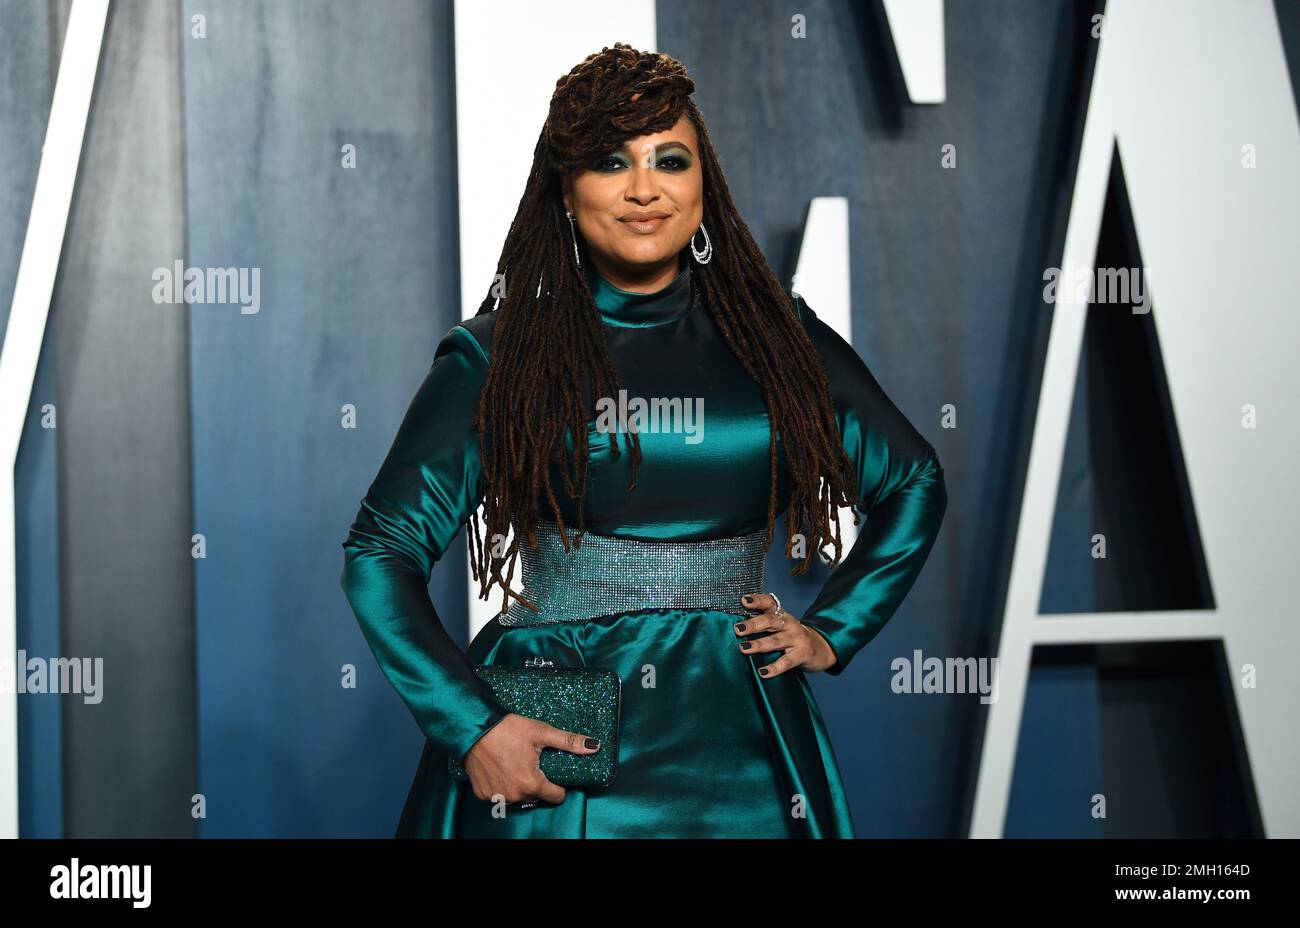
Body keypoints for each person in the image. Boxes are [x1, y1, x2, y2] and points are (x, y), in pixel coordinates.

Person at [340, 43, 946, 838]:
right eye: (610, 162)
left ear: (705, 184)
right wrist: (472, 725)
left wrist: (835, 629)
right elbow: (380, 552)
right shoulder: (499, 353)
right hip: (561, 749)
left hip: (747, 745)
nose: (645, 188)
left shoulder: (778, 338)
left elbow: (912, 482)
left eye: (670, 159)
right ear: (565, 191)